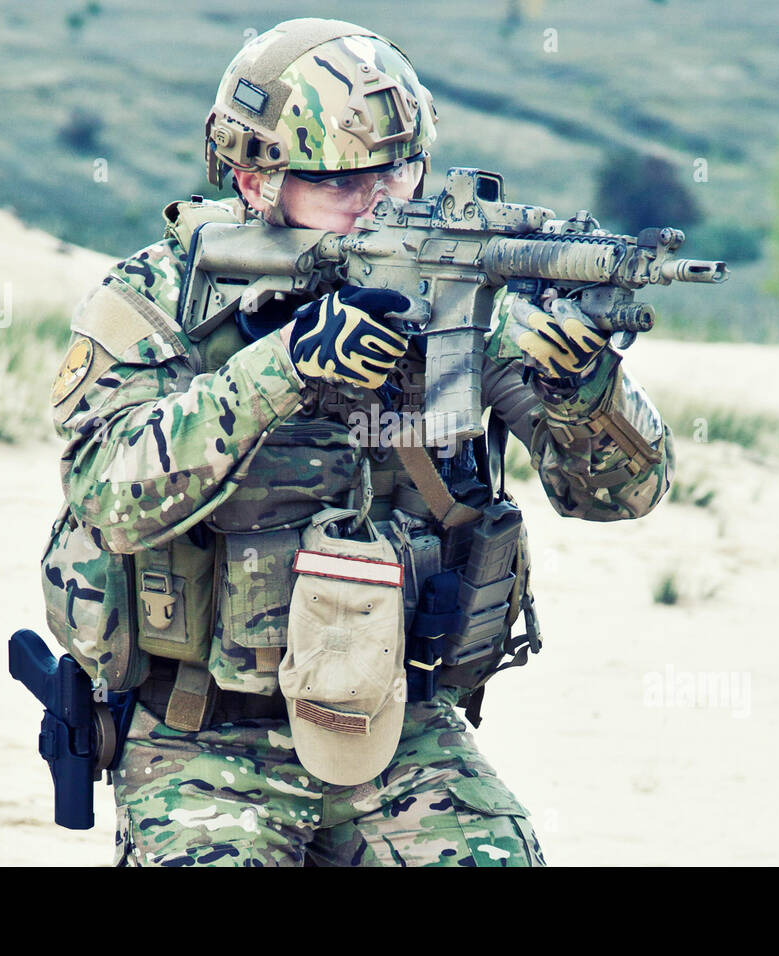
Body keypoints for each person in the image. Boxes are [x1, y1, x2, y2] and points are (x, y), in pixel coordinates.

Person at [48, 17, 675, 867]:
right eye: (347, 182)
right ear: (254, 180)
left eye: (400, 169)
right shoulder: (157, 303)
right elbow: (110, 496)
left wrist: (583, 388)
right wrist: (286, 366)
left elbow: (621, 497)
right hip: (201, 734)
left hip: (399, 723)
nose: (384, 201)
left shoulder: (458, 294)